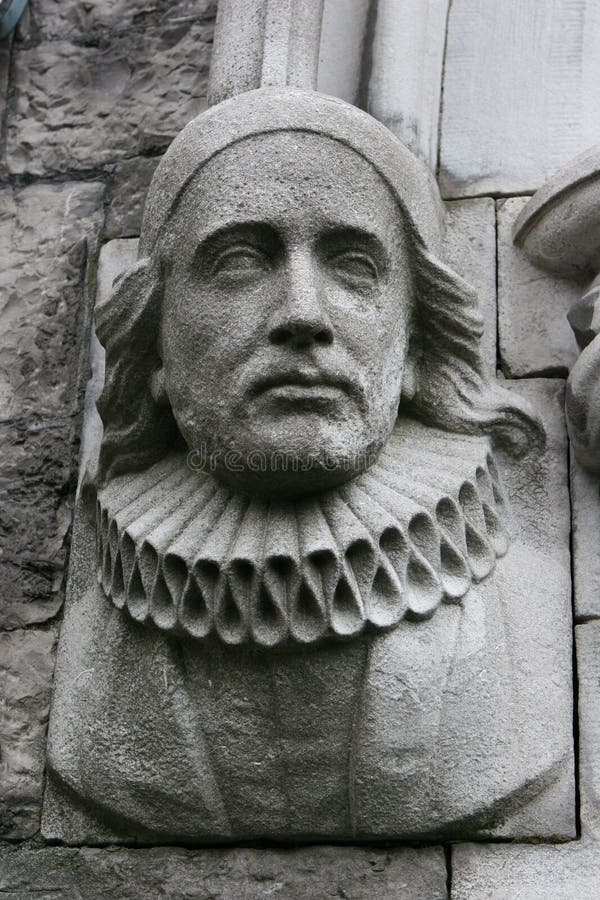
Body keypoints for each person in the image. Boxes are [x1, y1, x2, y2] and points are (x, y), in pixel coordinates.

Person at [44, 88, 573, 843]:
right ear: (154, 340)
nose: (302, 313)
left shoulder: (532, 625)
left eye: (354, 265)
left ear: (418, 346)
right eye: (237, 261)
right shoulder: (94, 670)